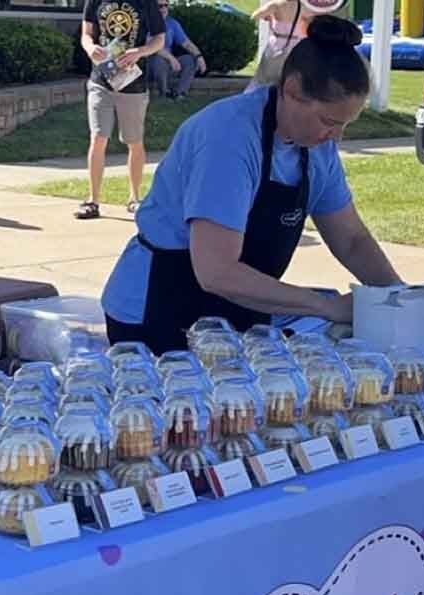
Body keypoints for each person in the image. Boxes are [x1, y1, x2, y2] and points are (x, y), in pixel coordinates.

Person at [101, 15, 403, 355]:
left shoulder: (318, 149)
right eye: (329, 121)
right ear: (291, 91)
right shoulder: (227, 137)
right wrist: (326, 306)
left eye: (344, 124)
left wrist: (400, 299)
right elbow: (217, 271)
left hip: (237, 313)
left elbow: (351, 240)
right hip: (156, 313)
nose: (336, 136)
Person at [76, 0, 166, 219]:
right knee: (98, 138)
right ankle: (93, 200)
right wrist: (90, 48)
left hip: (132, 84)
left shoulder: (146, 3)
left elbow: (159, 40)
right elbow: (86, 33)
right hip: (100, 80)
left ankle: (134, 198)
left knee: (134, 141)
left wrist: (140, 51)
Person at [147, 0, 207, 101]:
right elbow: (151, 47)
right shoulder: (147, 23)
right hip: (151, 65)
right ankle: (164, 93)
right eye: (160, 6)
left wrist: (199, 57)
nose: (163, 9)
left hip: (169, 64)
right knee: (158, 59)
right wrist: (171, 58)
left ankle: (180, 93)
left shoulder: (172, 23)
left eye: (166, 5)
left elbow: (187, 43)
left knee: (190, 60)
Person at [248, 0, 312, 91]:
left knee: (263, 79)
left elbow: (254, 16)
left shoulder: (277, 4)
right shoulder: (306, 7)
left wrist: (270, 17)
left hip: (277, 45)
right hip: (296, 46)